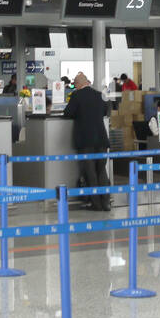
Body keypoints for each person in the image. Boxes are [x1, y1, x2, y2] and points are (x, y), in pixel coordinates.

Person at [62, 71, 111, 212]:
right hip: (101, 140)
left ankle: (96, 204)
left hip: (86, 141)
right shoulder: (98, 95)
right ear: (87, 82)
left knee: (90, 173)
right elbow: (104, 112)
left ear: (77, 85)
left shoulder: (77, 96)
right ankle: (106, 203)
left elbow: (68, 113)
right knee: (101, 171)